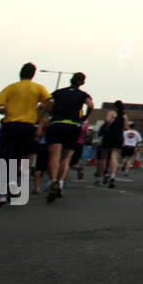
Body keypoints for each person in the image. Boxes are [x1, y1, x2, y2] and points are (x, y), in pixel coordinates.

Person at [0, 63, 52, 207]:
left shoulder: (11, 87)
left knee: (6, 157)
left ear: (20, 73)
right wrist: (38, 116)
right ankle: (12, 188)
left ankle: (2, 194)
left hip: (10, 125)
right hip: (28, 126)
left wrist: (4, 111)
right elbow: (50, 102)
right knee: (18, 157)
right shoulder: (38, 88)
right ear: (33, 74)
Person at [45, 73, 93, 202]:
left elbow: (48, 103)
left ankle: (53, 180)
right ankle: (60, 183)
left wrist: (50, 112)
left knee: (54, 156)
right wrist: (85, 117)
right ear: (82, 83)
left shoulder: (58, 92)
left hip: (57, 123)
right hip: (73, 126)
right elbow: (91, 105)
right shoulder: (83, 95)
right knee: (66, 158)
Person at [99, 101, 127, 187]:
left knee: (103, 156)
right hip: (119, 136)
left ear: (115, 107)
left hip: (109, 135)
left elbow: (107, 121)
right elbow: (126, 127)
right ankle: (113, 175)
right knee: (114, 156)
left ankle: (100, 177)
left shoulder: (111, 113)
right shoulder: (124, 116)